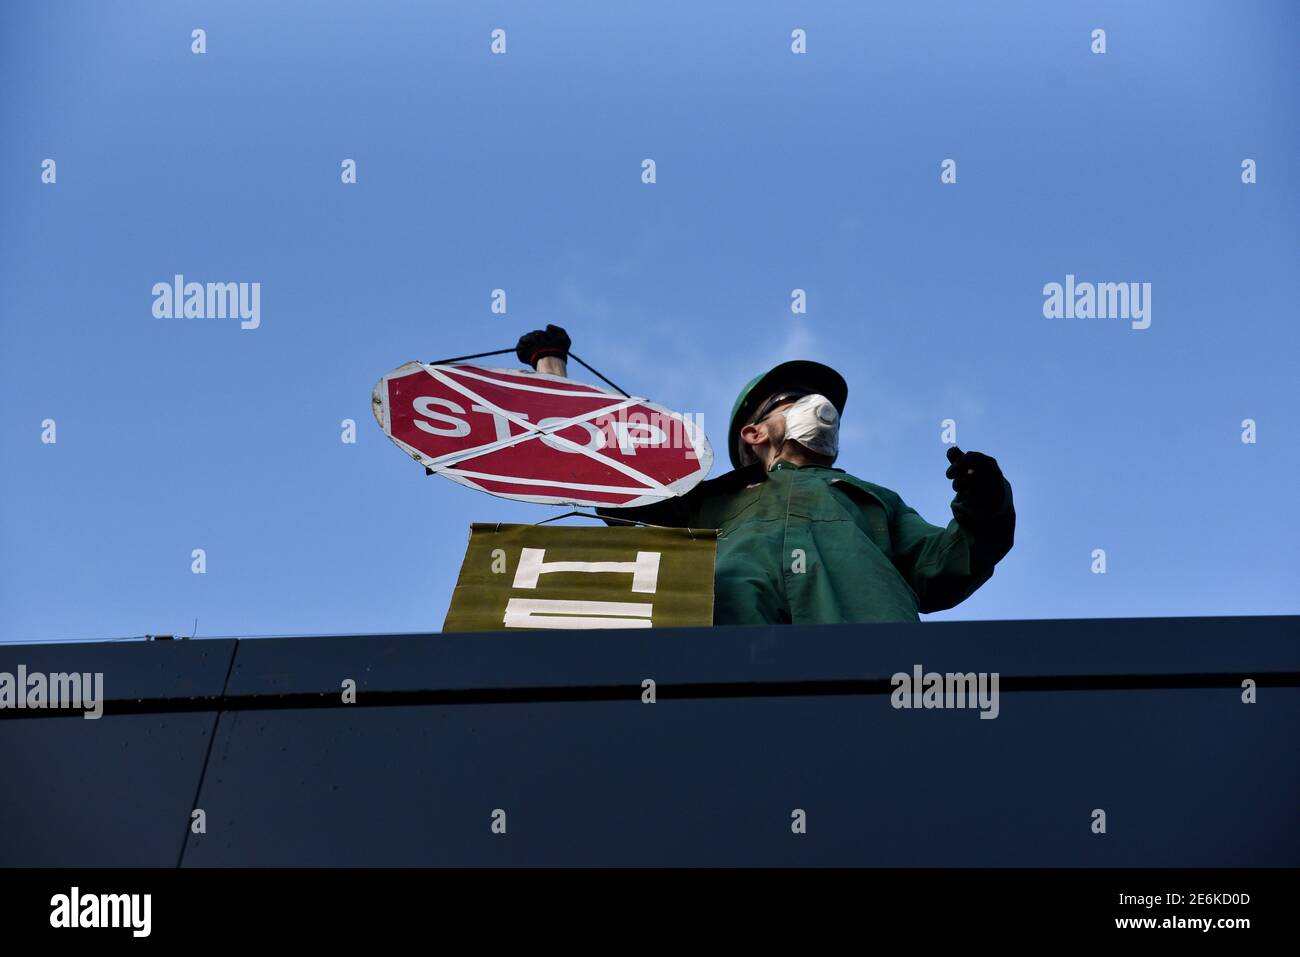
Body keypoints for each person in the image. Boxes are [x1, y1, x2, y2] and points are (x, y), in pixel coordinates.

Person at [514, 325, 1016, 625]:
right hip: (730, 680)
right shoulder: (705, 503)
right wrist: (558, 391)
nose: (817, 408)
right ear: (754, 434)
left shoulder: (873, 501)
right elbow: (609, 476)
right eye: (792, 401)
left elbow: (947, 565)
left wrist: (983, 501)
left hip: (872, 679)